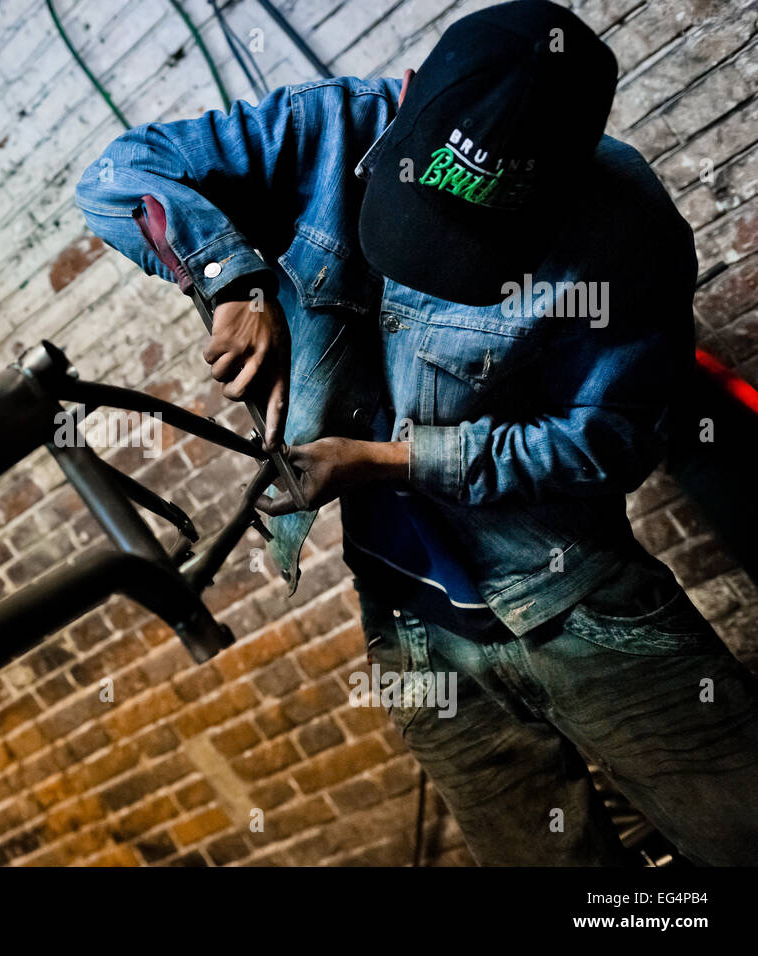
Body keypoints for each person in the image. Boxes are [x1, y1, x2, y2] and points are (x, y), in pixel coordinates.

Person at [74, 0, 758, 865]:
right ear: (410, 110)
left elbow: (610, 442)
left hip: (573, 597)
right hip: (412, 629)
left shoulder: (625, 230)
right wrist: (230, 283)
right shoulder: (325, 126)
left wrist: (389, 464)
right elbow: (115, 174)